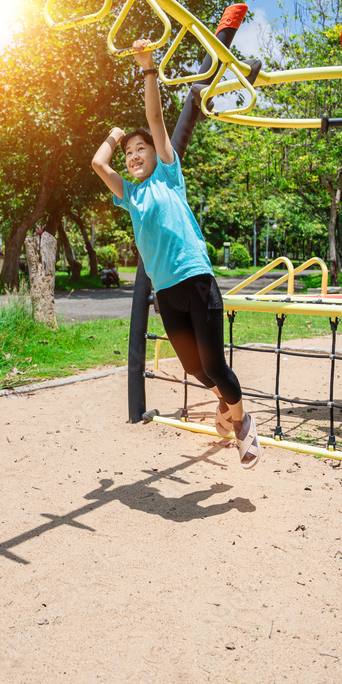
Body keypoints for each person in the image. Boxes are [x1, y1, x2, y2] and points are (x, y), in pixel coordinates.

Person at [91, 38, 260, 469]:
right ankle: (228, 410)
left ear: (156, 153)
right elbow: (97, 164)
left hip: (196, 278)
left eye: (139, 149)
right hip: (166, 292)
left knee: (216, 367)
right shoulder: (130, 195)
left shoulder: (167, 175)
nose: (132, 155)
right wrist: (112, 138)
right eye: (129, 153)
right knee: (194, 370)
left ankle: (243, 426)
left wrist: (148, 68)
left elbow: (154, 118)